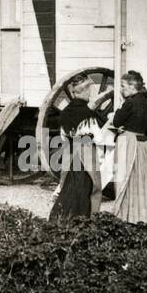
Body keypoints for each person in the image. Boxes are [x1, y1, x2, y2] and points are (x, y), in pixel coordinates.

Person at [108, 70, 147, 224]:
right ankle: (144, 217)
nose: (121, 90)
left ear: (132, 87)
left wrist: (118, 116)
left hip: (128, 143)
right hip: (143, 144)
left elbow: (116, 121)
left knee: (125, 177)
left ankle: (125, 215)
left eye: (123, 86)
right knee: (143, 180)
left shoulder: (129, 103)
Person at [50, 74, 105, 220]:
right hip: (86, 151)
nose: (90, 94)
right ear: (85, 91)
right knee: (91, 185)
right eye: (89, 91)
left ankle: (62, 217)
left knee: (68, 182)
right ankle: (86, 218)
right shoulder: (87, 114)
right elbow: (98, 138)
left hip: (70, 150)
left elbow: (63, 135)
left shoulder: (65, 113)